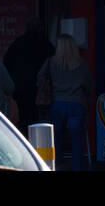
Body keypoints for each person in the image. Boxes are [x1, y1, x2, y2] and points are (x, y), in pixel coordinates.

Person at [40, 33, 93, 170]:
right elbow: (89, 86)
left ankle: (56, 165)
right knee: (77, 141)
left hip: (58, 104)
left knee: (57, 139)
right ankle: (77, 168)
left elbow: (39, 78)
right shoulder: (82, 65)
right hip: (77, 103)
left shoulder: (51, 62)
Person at [4, 18, 54, 128]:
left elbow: (6, 64)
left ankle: (25, 138)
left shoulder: (17, 44)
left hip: (21, 87)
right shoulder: (45, 44)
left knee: (24, 116)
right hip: (39, 89)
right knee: (39, 119)